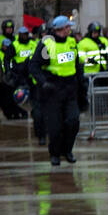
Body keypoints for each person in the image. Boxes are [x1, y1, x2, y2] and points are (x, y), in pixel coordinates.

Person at [32, 16, 85, 165]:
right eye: (68, 27)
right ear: (60, 28)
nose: (70, 29)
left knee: (73, 122)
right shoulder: (47, 43)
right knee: (55, 128)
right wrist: (43, 83)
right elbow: (34, 66)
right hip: (53, 90)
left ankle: (67, 150)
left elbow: (77, 64)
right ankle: (54, 154)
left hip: (70, 89)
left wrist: (82, 86)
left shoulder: (72, 41)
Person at [13, 27, 43, 142]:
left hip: (47, 86)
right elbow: (24, 72)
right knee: (37, 111)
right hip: (34, 85)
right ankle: (40, 135)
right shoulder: (30, 58)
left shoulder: (37, 45)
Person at [1, 19, 28, 119]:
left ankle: (18, 112)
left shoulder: (16, 39)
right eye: (7, 28)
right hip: (4, 75)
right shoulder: (0, 39)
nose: (9, 30)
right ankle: (10, 114)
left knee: (16, 95)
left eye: (11, 28)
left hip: (15, 74)